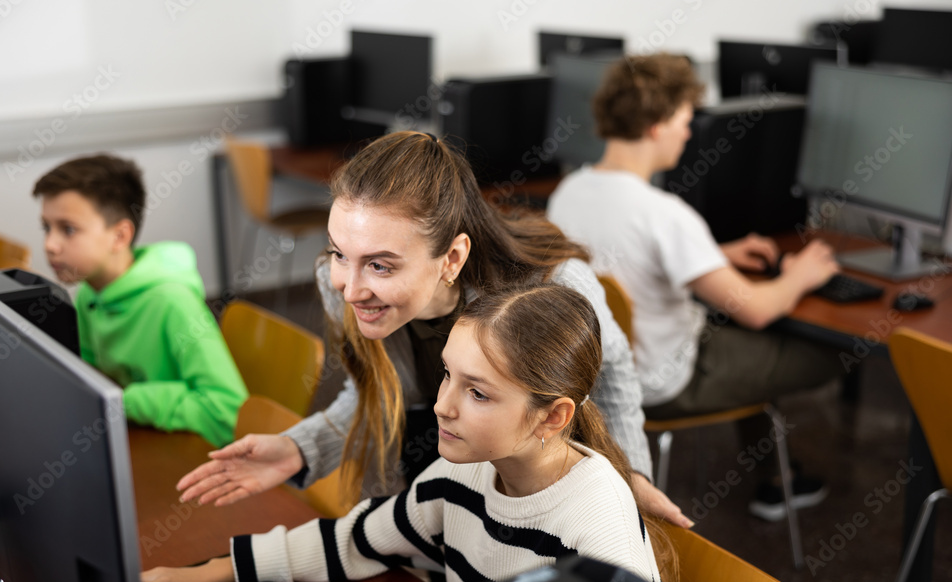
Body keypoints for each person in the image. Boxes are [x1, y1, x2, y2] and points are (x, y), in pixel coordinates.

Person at [177, 130, 693, 529]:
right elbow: (376, 394)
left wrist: (630, 476)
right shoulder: (338, 287)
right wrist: (300, 448)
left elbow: (615, 375)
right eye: (339, 253)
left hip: (539, 453)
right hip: (445, 437)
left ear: (451, 257)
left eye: (380, 265)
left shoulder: (551, 287)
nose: (349, 288)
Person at [141, 283, 666, 582]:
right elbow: (358, 540)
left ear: (553, 417)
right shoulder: (461, 476)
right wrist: (213, 572)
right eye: (446, 376)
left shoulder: (595, 527)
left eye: (478, 393)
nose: (442, 406)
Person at [546, 53, 844, 521]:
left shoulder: (569, 192)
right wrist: (800, 275)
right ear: (655, 126)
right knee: (823, 352)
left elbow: (619, 261)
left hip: (595, 373)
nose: (688, 133)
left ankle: (775, 479)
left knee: (740, 340)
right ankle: (776, 485)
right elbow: (759, 309)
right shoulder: (664, 213)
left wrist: (713, 255)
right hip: (668, 377)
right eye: (684, 121)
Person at [34, 154, 247, 448]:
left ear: (120, 236)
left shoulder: (172, 302)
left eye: (68, 229)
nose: (50, 245)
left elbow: (227, 412)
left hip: (188, 453)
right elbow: (95, 375)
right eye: (46, 227)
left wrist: (128, 400)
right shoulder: (88, 294)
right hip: (138, 438)